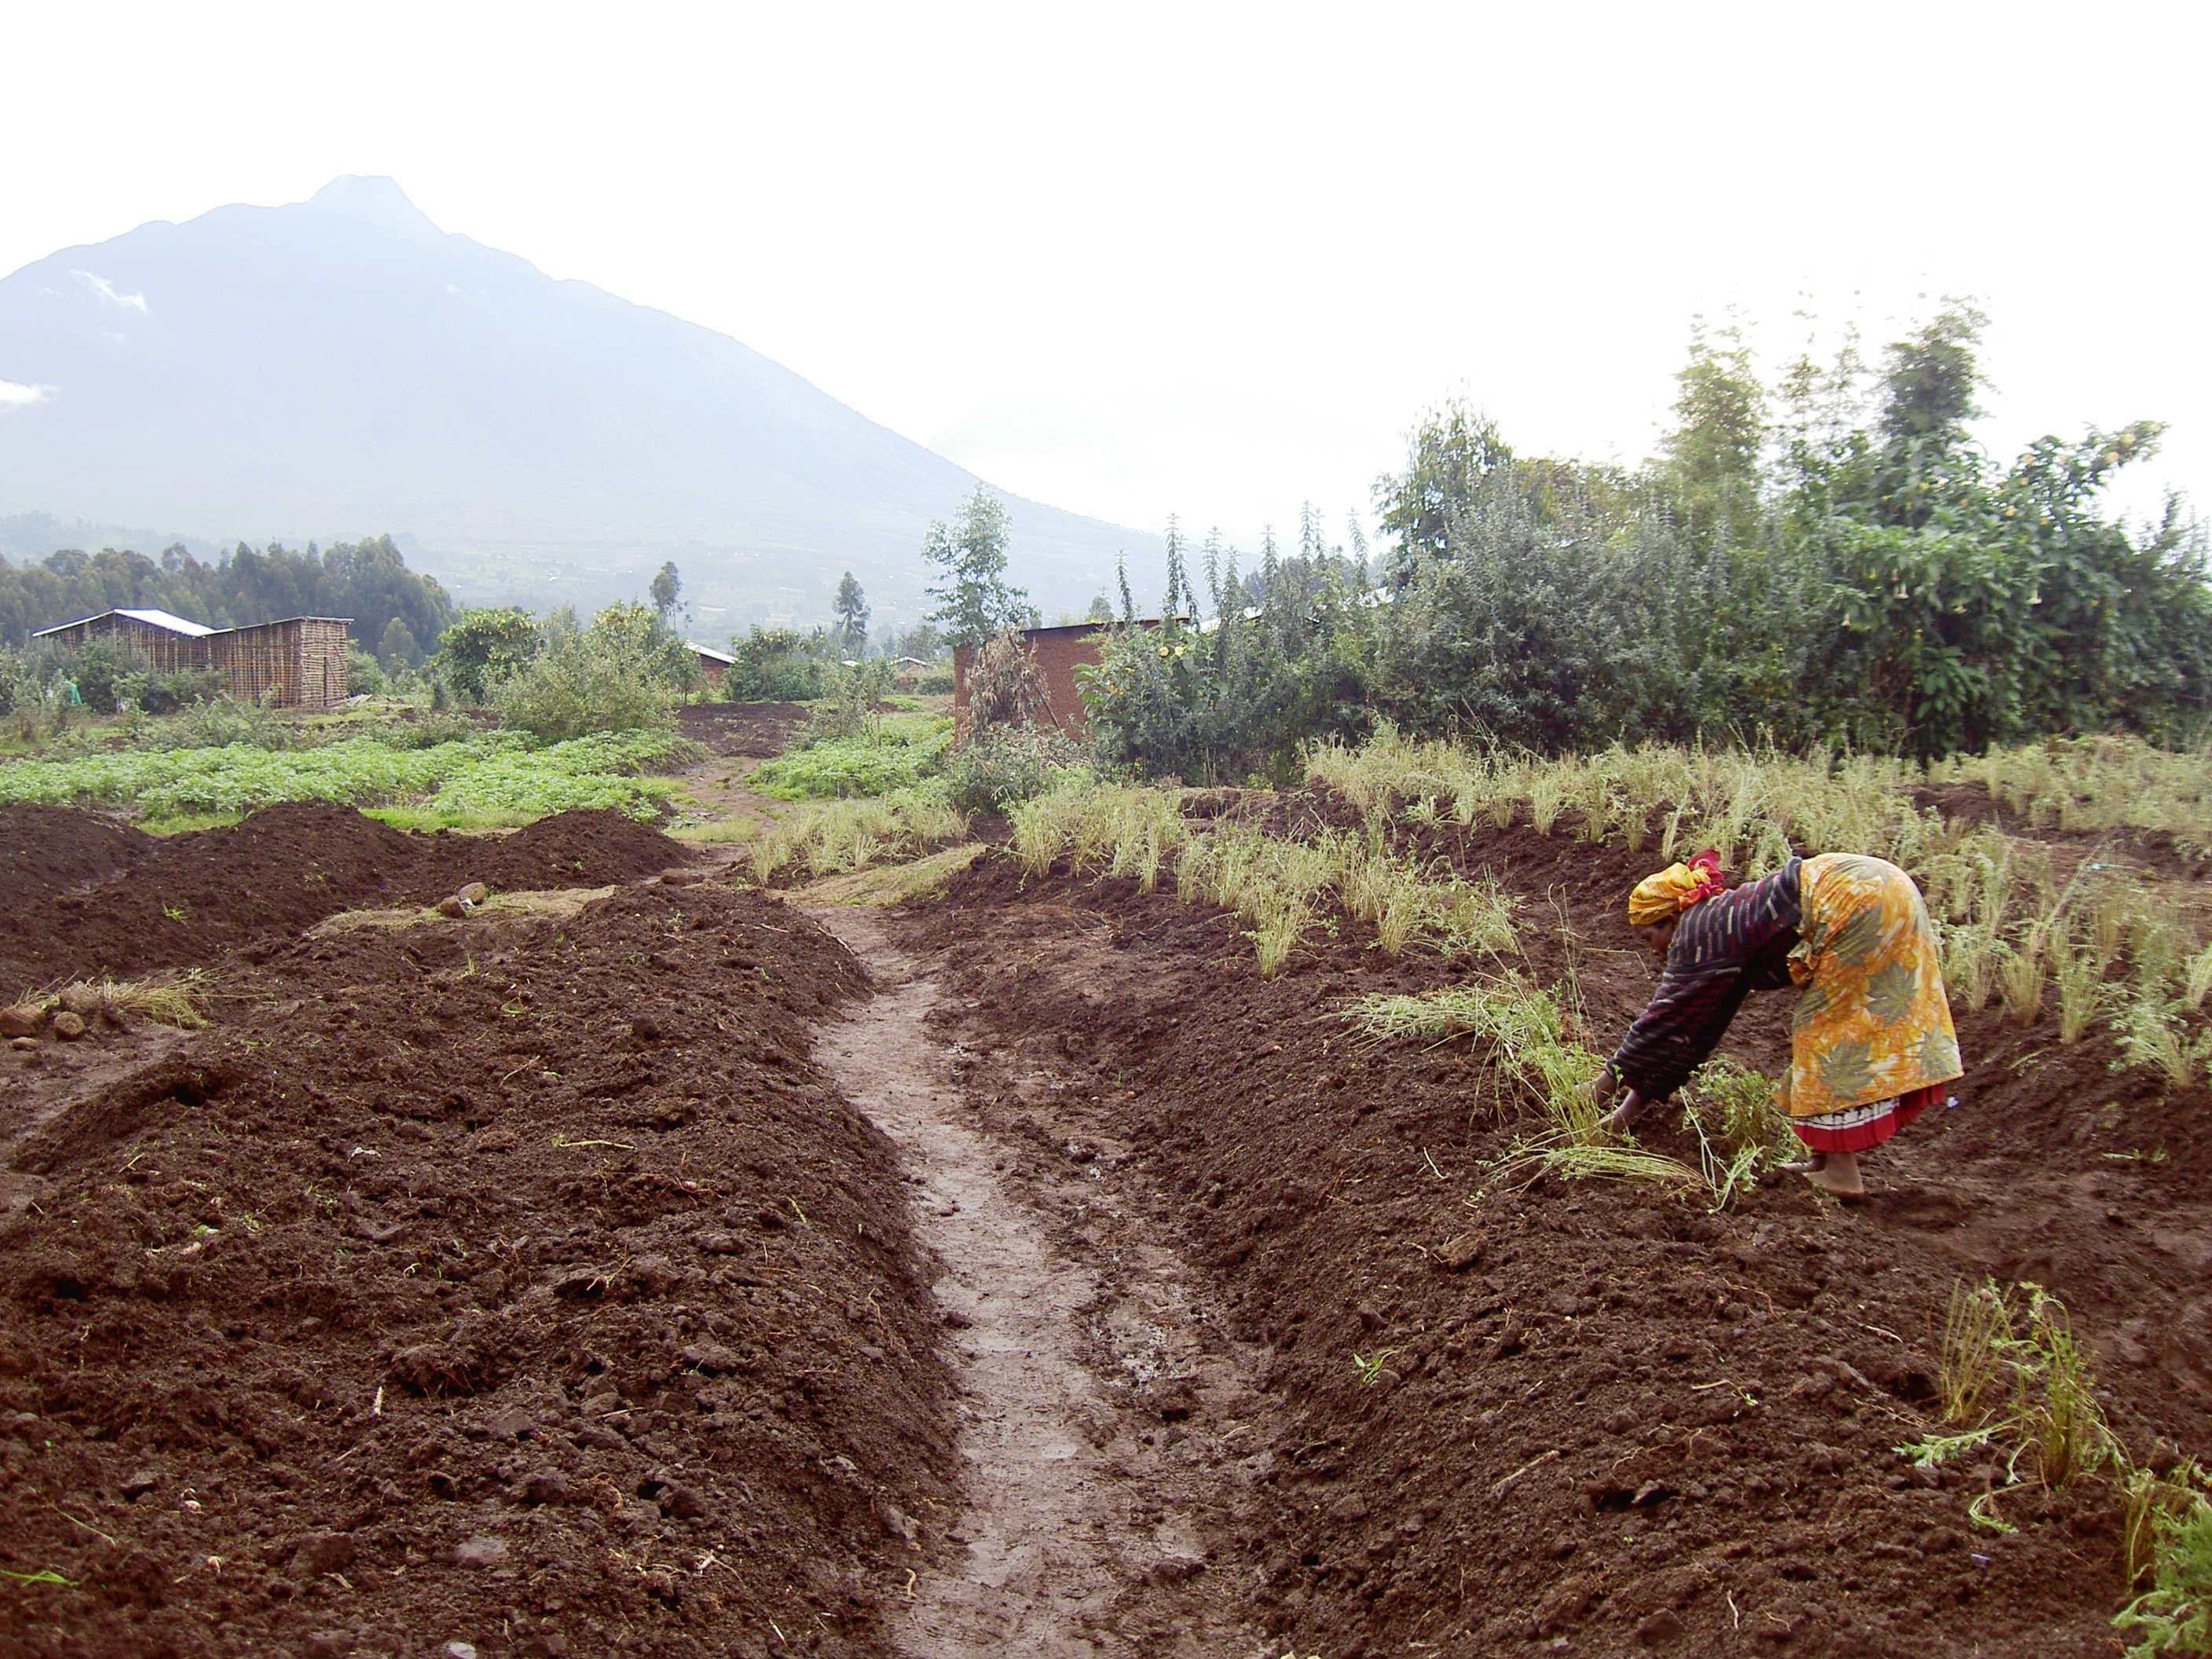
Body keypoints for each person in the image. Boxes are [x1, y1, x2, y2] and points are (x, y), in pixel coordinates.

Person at [1584, 849, 1963, 1198]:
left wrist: (1601, 1086)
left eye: (1650, 936)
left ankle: (1843, 1175)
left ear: (1670, 920)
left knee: (1830, 1034)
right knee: (1824, 1029)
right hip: (1877, 888)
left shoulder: (1697, 932)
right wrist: (1626, 1113)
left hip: (1856, 900)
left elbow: (1663, 1022)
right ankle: (1826, 1161)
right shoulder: (1719, 926)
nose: (1653, 949)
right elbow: (1696, 1032)